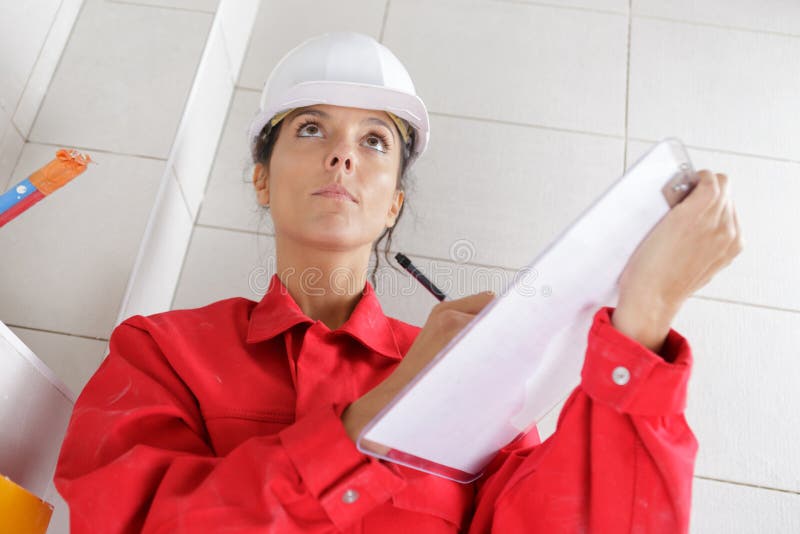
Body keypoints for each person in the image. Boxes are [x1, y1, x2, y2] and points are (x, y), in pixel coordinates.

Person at [54, 32, 743, 533]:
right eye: (311, 127)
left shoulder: (477, 375)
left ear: (393, 204)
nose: (342, 154)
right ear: (262, 179)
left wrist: (645, 316)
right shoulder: (164, 351)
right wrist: (388, 407)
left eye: (375, 140)